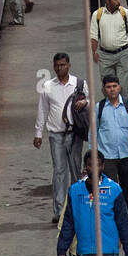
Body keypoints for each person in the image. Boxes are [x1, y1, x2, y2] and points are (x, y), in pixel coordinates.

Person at [34, 53, 88, 223]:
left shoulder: (79, 84)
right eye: (57, 65)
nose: (60, 68)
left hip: (75, 134)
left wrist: (85, 102)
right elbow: (42, 110)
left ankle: (78, 208)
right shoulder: (47, 86)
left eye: (63, 65)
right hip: (55, 135)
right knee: (59, 171)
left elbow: (90, 100)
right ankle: (59, 211)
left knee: (75, 170)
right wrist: (38, 133)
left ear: (69, 65)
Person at [95, 74, 128, 207]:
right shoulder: (99, 108)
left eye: (114, 86)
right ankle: (114, 211)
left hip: (126, 153)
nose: (112, 89)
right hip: (107, 154)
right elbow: (92, 132)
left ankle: (126, 209)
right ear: (104, 89)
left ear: (119, 87)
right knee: (111, 185)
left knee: (126, 183)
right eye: (108, 87)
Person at [89, 0, 128, 89]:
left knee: (123, 86)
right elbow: (93, 35)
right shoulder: (97, 14)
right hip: (105, 56)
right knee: (107, 86)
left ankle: (123, 104)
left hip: (123, 54)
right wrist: (94, 52)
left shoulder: (125, 13)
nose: (119, 1)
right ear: (107, 1)